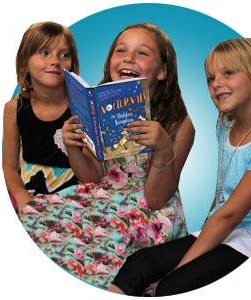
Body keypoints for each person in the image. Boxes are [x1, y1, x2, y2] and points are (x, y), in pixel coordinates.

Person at [109, 37, 251, 296]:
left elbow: (229, 215)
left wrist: (175, 271)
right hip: (217, 228)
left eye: (228, 73)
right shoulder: (226, 125)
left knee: (171, 286)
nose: (216, 83)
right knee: (139, 263)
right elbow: (221, 196)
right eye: (210, 78)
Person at [18, 23, 195, 289]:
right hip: (101, 196)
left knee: (101, 247)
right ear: (109, 61)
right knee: (35, 222)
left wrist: (163, 148)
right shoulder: (97, 109)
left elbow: (157, 198)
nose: (128, 58)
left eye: (142, 53)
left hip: (147, 211)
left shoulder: (180, 123)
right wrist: (73, 146)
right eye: (120, 50)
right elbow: (91, 177)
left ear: (162, 71)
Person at [3, 21, 80, 213]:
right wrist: (21, 195)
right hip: (32, 187)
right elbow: (9, 167)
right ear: (24, 62)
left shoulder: (83, 107)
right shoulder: (14, 108)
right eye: (45, 53)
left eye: (64, 55)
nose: (55, 61)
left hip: (77, 189)